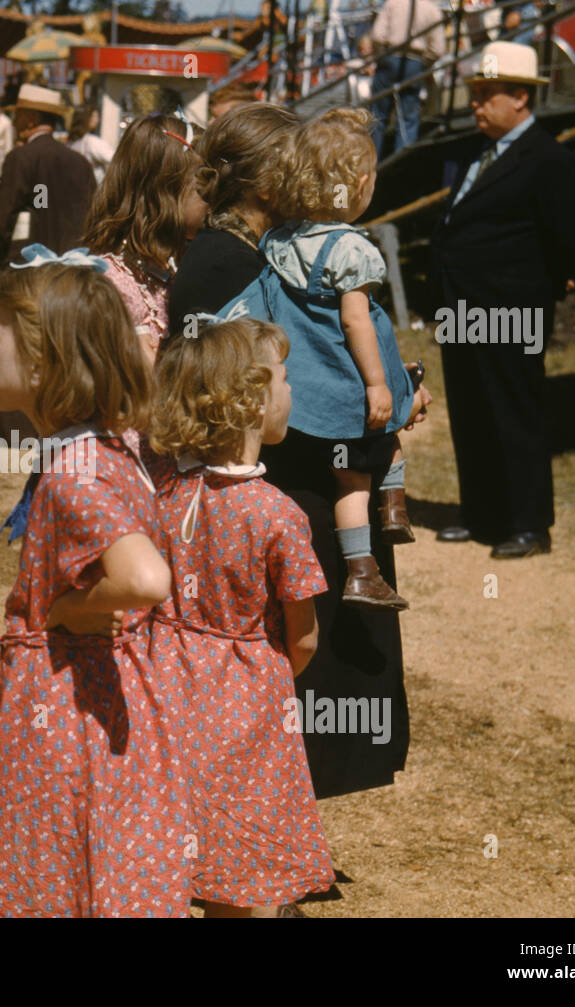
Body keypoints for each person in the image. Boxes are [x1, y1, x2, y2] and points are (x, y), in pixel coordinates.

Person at [169, 101, 422, 801]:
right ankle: (265, 846)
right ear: (265, 177)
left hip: (324, 479)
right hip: (293, 493)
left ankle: (291, 832)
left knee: (334, 671)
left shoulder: (280, 247)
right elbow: (215, 384)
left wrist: (397, 386)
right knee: (300, 671)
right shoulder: (226, 262)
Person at [0, 251, 192, 917]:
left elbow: (145, 576)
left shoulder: (75, 471)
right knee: (100, 866)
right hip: (113, 704)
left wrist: (66, 607)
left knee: (49, 871)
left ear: (40, 361)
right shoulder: (109, 447)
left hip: (67, 714)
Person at [146, 316, 335, 918]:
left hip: (161, 683)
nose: (290, 391)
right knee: (240, 860)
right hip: (247, 696)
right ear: (251, 400)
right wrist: (271, 679)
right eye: (283, 377)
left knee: (167, 841)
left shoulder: (163, 491)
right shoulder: (278, 514)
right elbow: (302, 637)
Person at [230, 107, 420, 609]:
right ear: (360, 184)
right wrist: (377, 384)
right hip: (351, 382)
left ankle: (386, 517)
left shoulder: (279, 242)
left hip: (311, 390)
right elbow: (357, 321)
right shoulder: (352, 249)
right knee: (367, 462)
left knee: (347, 474)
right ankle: (366, 560)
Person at [431, 41, 575, 559]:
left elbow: (569, 239)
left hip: (511, 309)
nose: (476, 105)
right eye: (474, 94)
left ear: (521, 97)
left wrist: (546, 289)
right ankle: (480, 511)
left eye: (486, 95)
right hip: (463, 307)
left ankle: (528, 522)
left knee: (514, 411)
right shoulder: (481, 156)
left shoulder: (548, 159)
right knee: (472, 408)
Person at [81, 115, 206, 364]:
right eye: (204, 183)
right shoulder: (109, 284)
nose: (214, 197)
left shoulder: (169, 268)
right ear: (167, 190)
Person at [167, 102, 299, 337]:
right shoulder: (232, 268)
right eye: (302, 170)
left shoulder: (226, 249)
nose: (310, 184)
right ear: (266, 182)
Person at [0, 84, 97, 293]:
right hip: (72, 276)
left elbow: (4, 221)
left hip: (29, 274)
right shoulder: (80, 163)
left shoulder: (21, 158)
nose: (13, 122)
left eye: (17, 116)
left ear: (31, 119)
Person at [367, 0, 447, 156]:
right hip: (415, 62)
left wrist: (381, 55)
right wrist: (424, 63)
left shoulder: (392, 3)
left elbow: (377, 35)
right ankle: (401, 163)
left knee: (378, 115)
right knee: (408, 119)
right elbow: (438, 48)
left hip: (390, 57)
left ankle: (370, 163)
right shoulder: (432, 10)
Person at [66, 107, 115, 187]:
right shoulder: (92, 141)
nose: (97, 120)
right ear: (86, 118)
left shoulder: (70, 143)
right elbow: (115, 159)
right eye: (94, 116)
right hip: (93, 189)